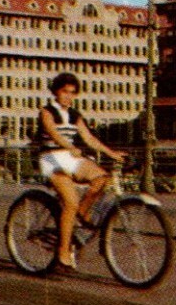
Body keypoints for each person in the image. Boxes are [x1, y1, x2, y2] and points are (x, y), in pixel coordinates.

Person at [34, 72, 124, 271]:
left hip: (70, 157)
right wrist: (68, 145)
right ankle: (63, 252)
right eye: (64, 91)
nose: (68, 96)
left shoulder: (75, 115)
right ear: (56, 91)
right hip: (51, 158)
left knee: (102, 177)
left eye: (72, 93)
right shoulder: (47, 112)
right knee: (70, 202)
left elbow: (89, 138)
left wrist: (111, 153)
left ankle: (83, 211)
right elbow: (53, 132)